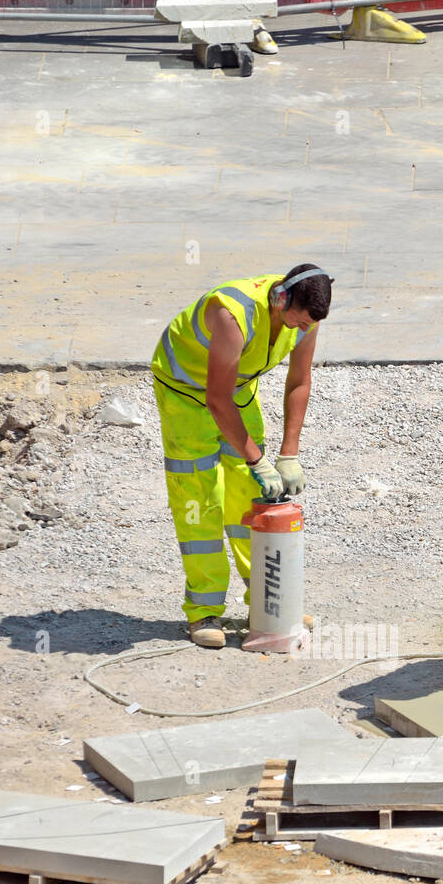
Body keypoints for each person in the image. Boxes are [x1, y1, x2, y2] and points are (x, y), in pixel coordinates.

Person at [151, 266, 332, 648]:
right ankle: (204, 610)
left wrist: (288, 454)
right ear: (281, 299)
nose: (300, 331)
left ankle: (268, 605)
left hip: (237, 389)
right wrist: (257, 460)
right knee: (199, 501)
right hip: (186, 393)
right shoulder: (232, 313)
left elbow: (299, 380)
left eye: (307, 326)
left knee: (251, 499)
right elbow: (215, 399)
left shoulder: (305, 316)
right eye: (296, 322)